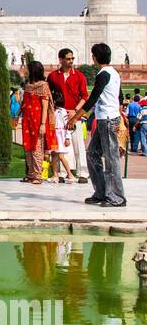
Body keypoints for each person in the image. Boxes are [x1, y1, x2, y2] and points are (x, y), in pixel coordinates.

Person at [68, 43, 125, 208]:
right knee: (92, 154)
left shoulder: (104, 74)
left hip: (108, 120)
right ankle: (101, 192)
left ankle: (117, 197)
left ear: (95, 57)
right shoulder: (113, 73)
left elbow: (92, 99)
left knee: (111, 158)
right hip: (104, 119)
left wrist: (75, 118)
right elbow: (119, 97)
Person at [46, 49, 89, 182]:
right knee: (62, 145)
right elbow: (50, 95)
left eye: (72, 59)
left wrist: (75, 111)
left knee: (78, 144)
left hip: (74, 114)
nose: (71, 61)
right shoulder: (53, 76)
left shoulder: (79, 75)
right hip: (60, 116)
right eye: (68, 59)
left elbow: (84, 96)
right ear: (61, 59)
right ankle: (64, 173)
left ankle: (82, 173)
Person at [17, 61, 57, 184]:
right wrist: (17, 115)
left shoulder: (43, 86)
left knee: (36, 147)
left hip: (38, 121)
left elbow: (45, 106)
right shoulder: (28, 85)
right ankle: (31, 174)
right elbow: (24, 103)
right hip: (27, 120)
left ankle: (38, 175)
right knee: (28, 147)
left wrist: (43, 124)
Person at [49, 85, 75, 183]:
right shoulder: (52, 111)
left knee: (60, 156)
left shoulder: (63, 112)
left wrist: (67, 137)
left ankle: (70, 174)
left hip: (61, 135)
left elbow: (67, 125)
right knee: (54, 155)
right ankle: (55, 174)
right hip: (54, 135)